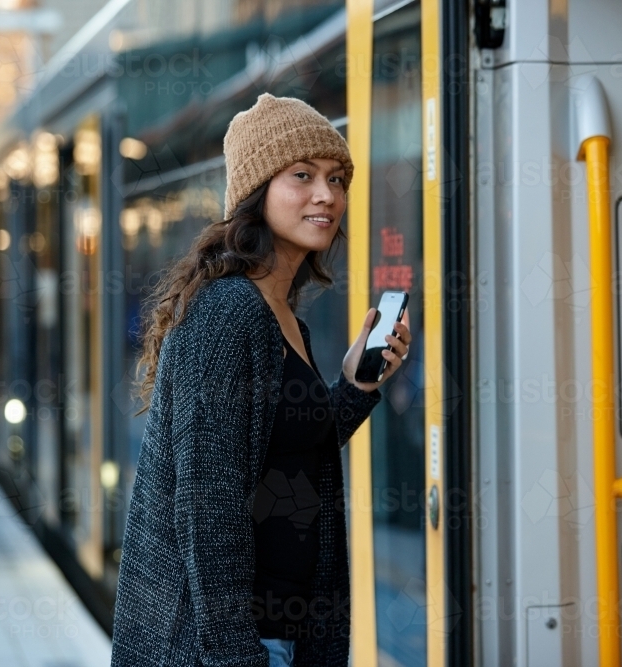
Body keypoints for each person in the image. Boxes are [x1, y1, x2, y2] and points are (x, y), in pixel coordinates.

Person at [110, 93, 413, 667]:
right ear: (256, 191)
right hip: (227, 647)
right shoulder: (228, 313)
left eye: (337, 178)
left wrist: (355, 389)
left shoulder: (282, 317)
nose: (328, 195)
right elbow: (208, 507)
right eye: (302, 175)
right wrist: (235, 658)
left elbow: (284, 457)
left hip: (283, 633)